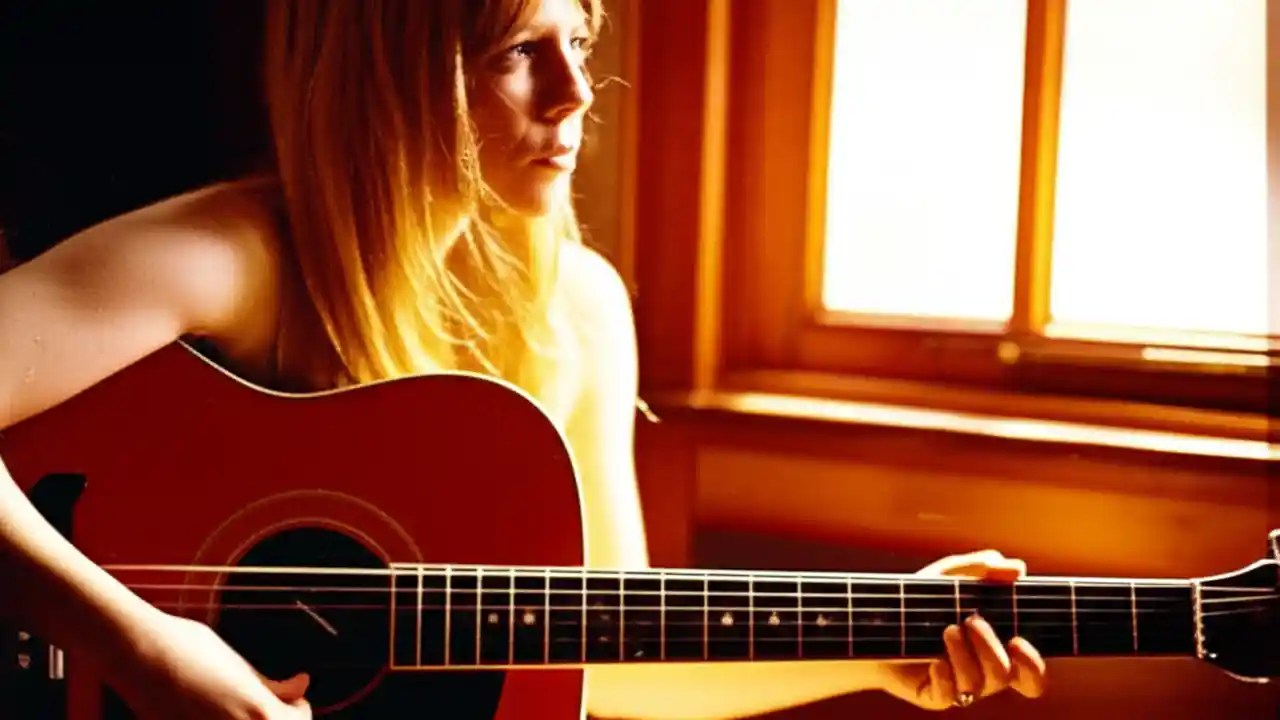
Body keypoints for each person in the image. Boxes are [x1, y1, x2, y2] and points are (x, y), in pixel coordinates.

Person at [0, 1, 1048, 717]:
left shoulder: (579, 308)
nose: (575, 93)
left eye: (577, 41)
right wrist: (136, 645)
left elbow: (600, 655)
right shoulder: (237, 258)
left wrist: (870, 651)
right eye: (515, 49)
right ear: (391, 71)